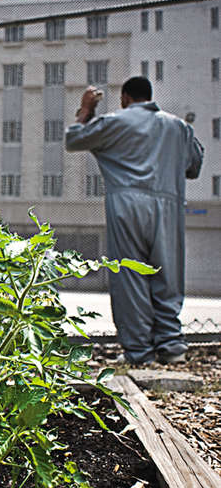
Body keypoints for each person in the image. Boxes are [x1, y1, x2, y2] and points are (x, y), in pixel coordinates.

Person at [65, 76, 204, 366]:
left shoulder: (116, 121)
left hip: (126, 203)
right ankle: (171, 345)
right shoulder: (178, 126)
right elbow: (194, 166)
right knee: (168, 274)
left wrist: (85, 110)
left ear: (125, 98)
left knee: (130, 275)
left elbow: (75, 139)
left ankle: (139, 352)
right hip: (168, 203)